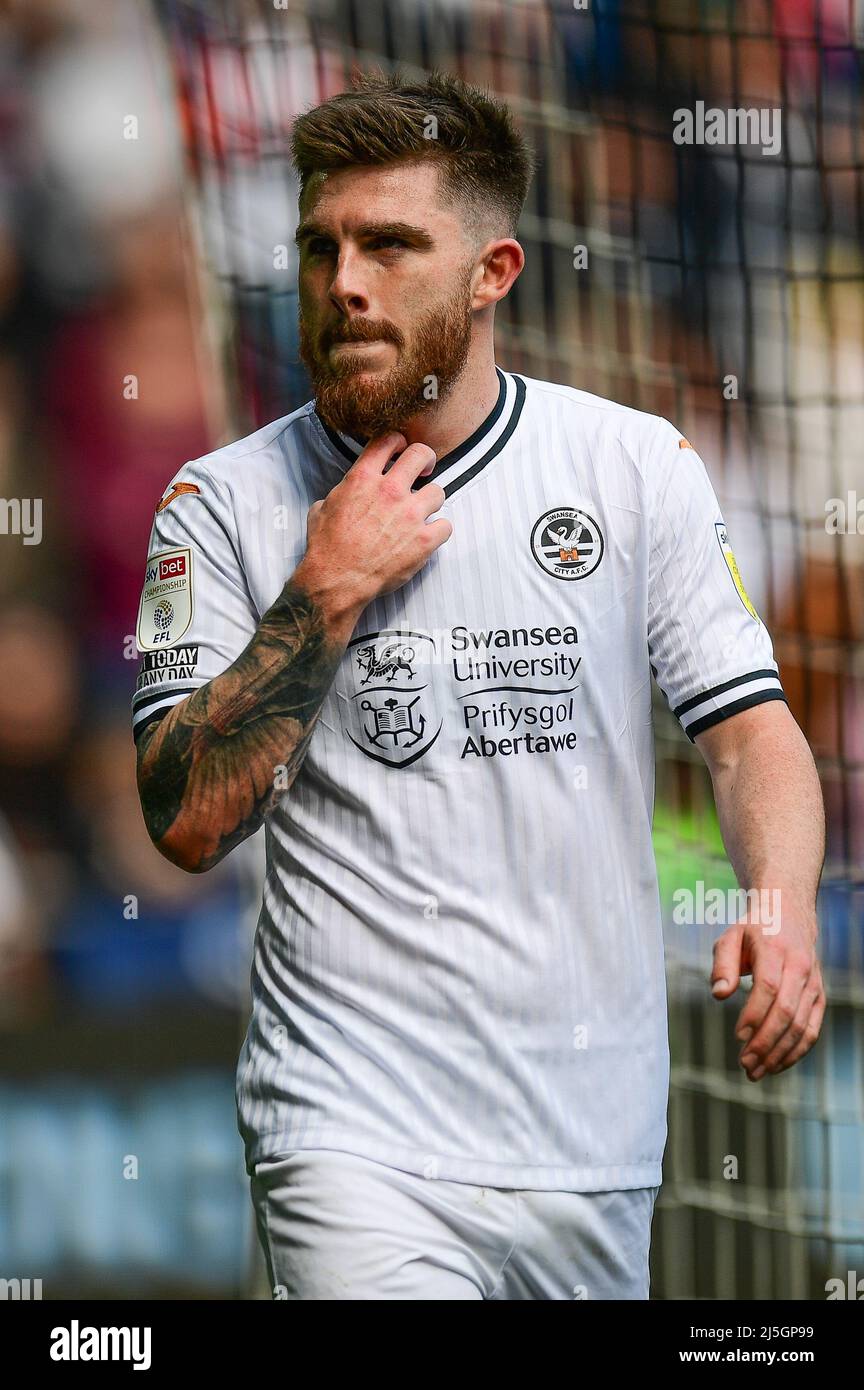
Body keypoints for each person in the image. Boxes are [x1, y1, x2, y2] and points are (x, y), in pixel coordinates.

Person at [131, 69, 826, 1300]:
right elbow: (185, 819)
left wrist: (780, 900)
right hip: (351, 1136)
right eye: (320, 245)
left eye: (390, 244)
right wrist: (325, 591)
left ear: (493, 271)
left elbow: (747, 735)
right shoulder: (218, 506)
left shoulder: (631, 467)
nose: (344, 280)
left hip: (593, 1144)